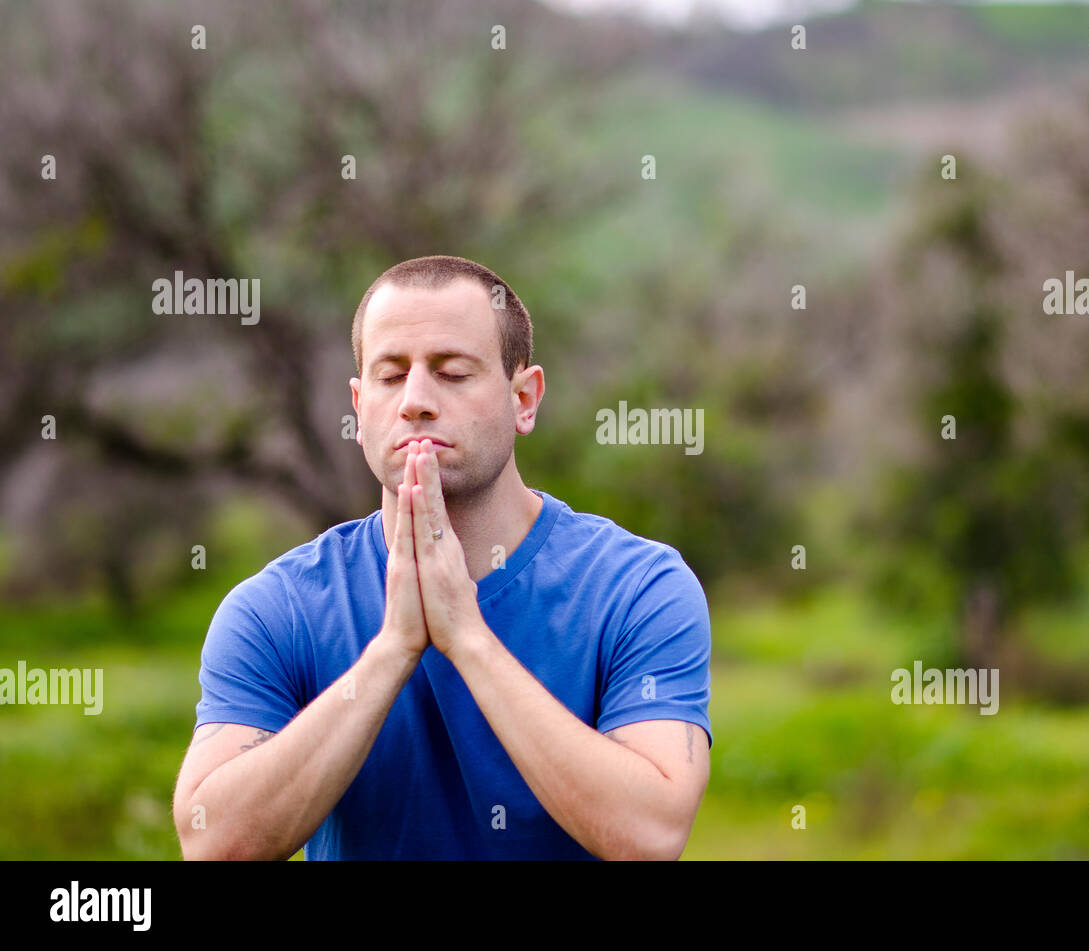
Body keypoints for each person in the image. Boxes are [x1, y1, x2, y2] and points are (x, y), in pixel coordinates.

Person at [171, 255, 712, 860]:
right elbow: (212, 845)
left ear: (524, 399)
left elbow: (652, 836)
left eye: (452, 373)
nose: (416, 401)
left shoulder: (637, 588)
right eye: (390, 375)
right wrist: (392, 651)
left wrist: (467, 639)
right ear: (358, 405)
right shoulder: (277, 608)